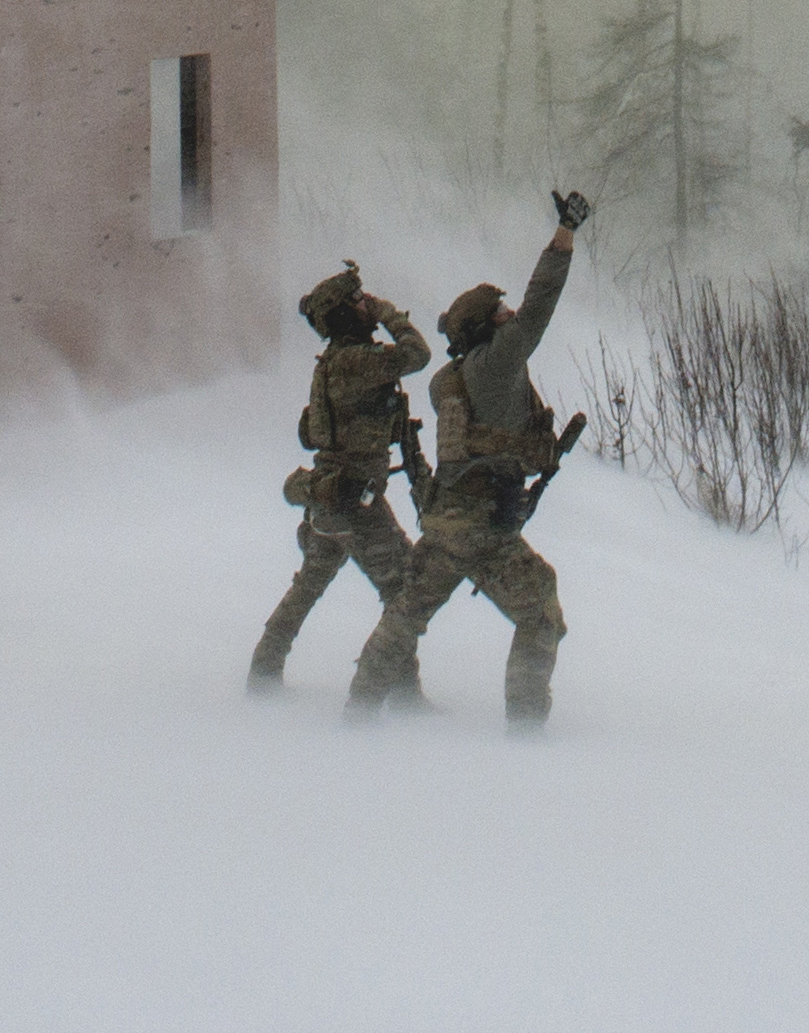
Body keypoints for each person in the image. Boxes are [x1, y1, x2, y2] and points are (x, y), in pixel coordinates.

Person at [349, 190, 589, 729]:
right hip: (485, 526)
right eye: (501, 312)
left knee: (405, 616)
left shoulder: (452, 379)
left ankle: (357, 713)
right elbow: (542, 299)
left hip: (446, 520)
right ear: (487, 327)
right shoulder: (498, 363)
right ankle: (526, 728)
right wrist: (565, 234)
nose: (511, 316)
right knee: (540, 612)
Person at [248, 262, 430, 694]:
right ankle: (394, 691)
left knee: (309, 584)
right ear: (346, 315)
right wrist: (390, 314)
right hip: (356, 499)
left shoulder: (333, 362)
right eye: (358, 300)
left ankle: (264, 670)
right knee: (405, 587)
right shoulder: (356, 361)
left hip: (331, 499)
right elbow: (417, 354)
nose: (366, 303)